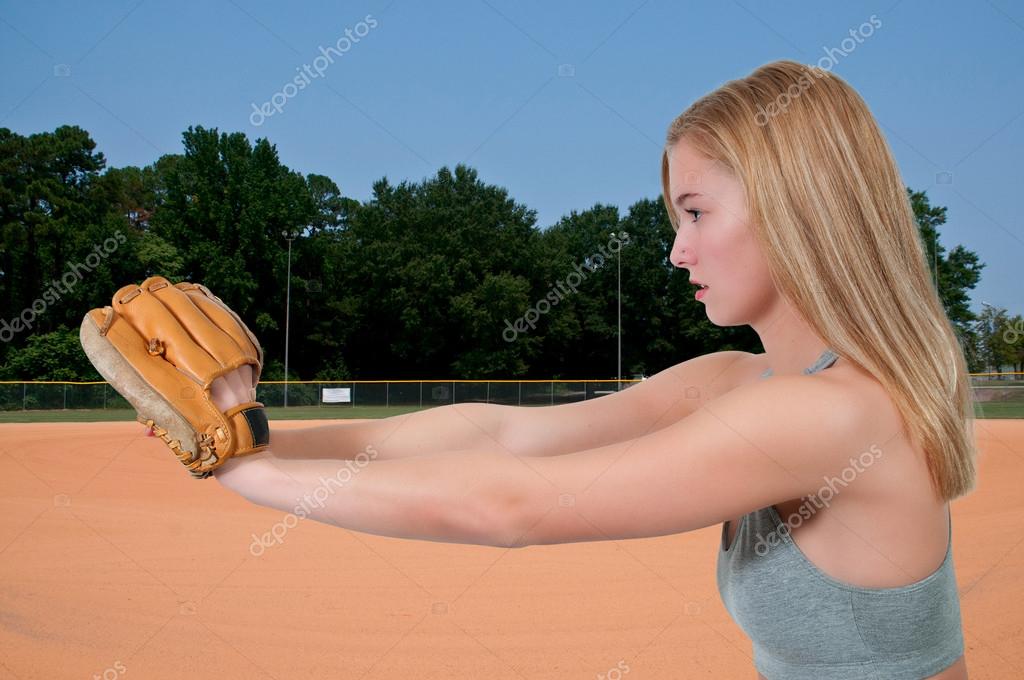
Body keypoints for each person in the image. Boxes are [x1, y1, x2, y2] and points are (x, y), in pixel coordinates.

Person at [211, 60, 976, 679]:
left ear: (791, 206)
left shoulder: (833, 416)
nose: (677, 251)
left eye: (697, 212)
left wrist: (251, 476)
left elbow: (512, 503)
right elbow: (508, 435)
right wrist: (253, 434)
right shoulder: (738, 382)